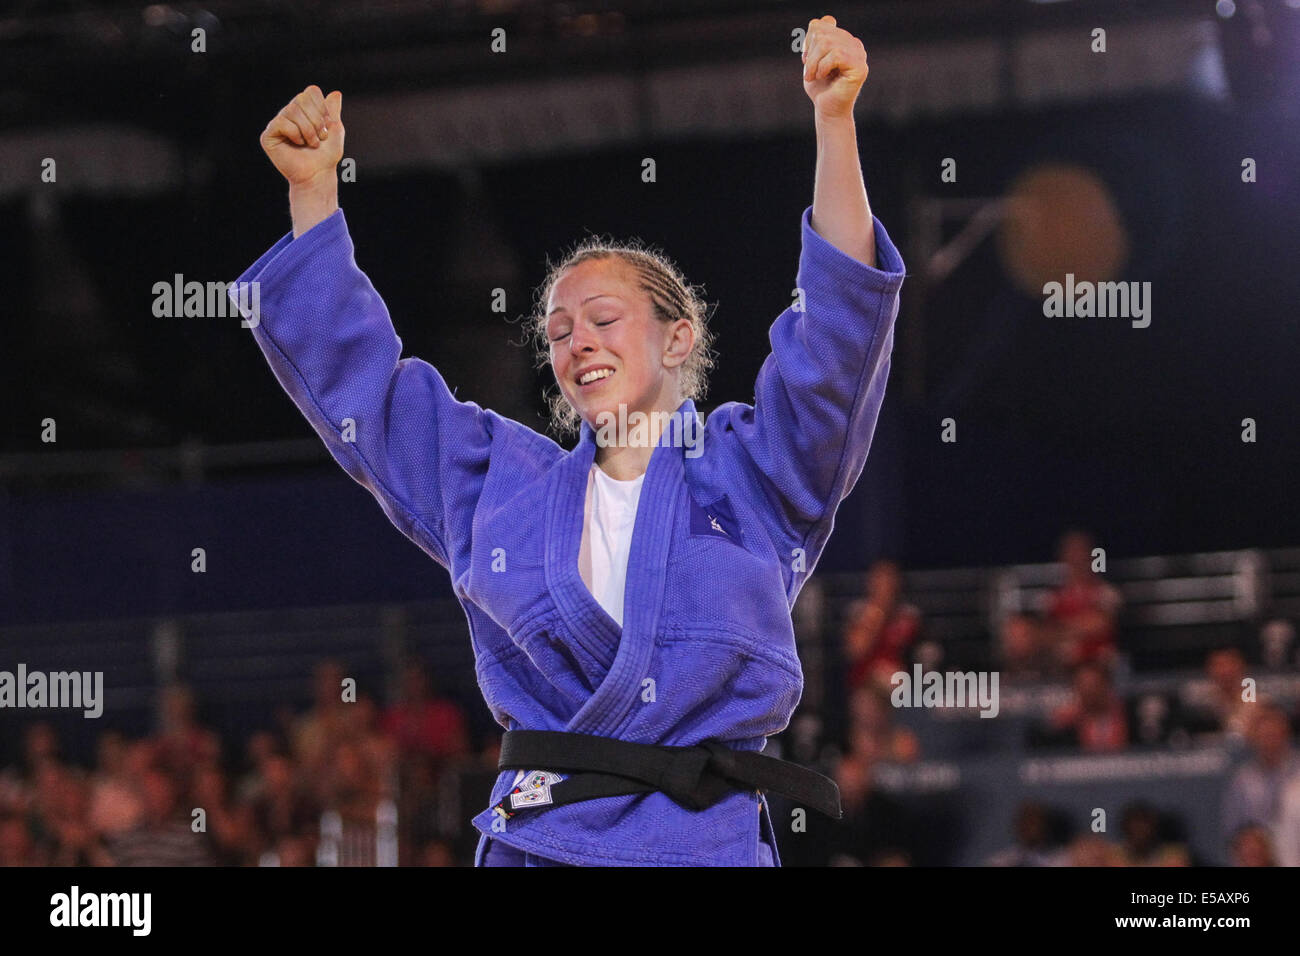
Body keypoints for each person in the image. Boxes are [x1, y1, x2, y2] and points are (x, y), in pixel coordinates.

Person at [231, 15, 905, 866]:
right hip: (539, 845)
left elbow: (833, 347)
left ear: (677, 337)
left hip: (700, 848)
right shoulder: (499, 483)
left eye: (602, 319)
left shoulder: (755, 472)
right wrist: (312, 196)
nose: (575, 341)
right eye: (557, 331)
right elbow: (374, 395)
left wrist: (834, 123)